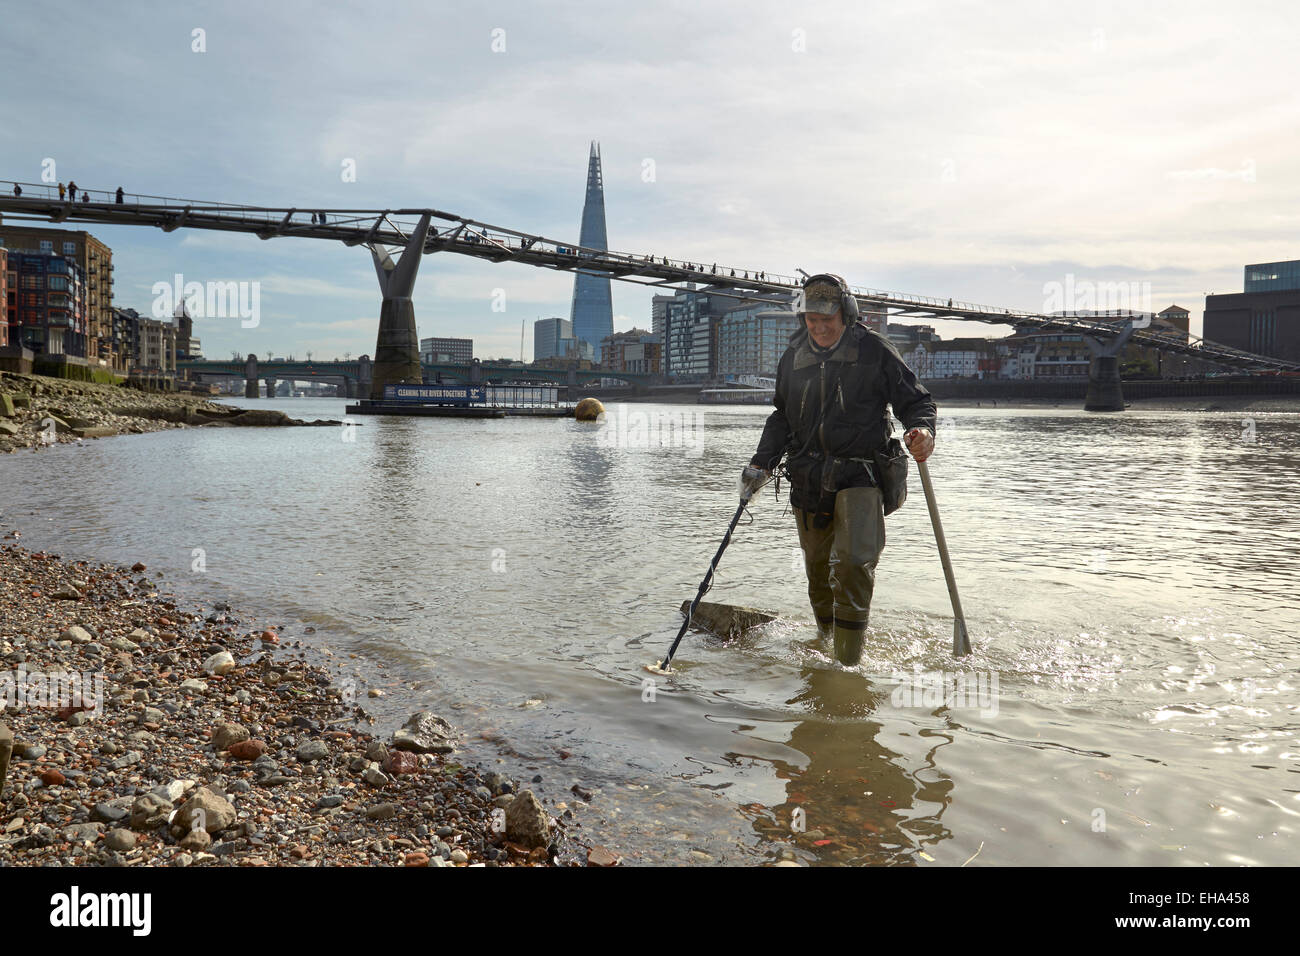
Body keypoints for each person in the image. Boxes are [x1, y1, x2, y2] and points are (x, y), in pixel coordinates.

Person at [743, 273, 936, 666]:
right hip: (808, 475)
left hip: (862, 473)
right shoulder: (793, 357)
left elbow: (916, 403)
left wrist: (923, 430)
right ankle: (824, 651)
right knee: (817, 571)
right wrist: (760, 463)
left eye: (827, 318)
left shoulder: (876, 352)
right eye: (812, 319)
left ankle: (848, 664)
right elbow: (781, 416)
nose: (820, 326)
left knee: (852, 562)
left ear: (846, 314)